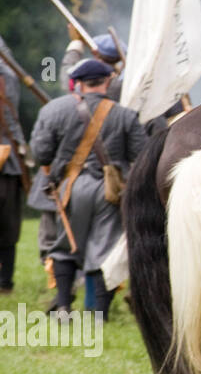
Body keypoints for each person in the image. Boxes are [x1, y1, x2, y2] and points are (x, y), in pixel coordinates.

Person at [29, 58, 146, 316]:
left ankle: (62, 306)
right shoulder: (125, 114)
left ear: (78, 83)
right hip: (111, 190)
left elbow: (40, 153)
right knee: (104, 247)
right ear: (106, 82)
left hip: (69, 188)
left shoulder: (54, 109)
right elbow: (141, 155)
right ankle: (99, 314)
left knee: (63, 246)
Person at [0, 36, 27, 295]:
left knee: (8, 226)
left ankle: (5, 282)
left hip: (6, 160)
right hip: (7, 161)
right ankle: (5, 281)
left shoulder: (6, 76)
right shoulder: (8, 74)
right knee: (7, 226)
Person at [61, 31, 126, 100]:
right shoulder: (122, 81)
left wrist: (76, 44)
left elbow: (67, 78)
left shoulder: (110, 83)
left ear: (94, 52)